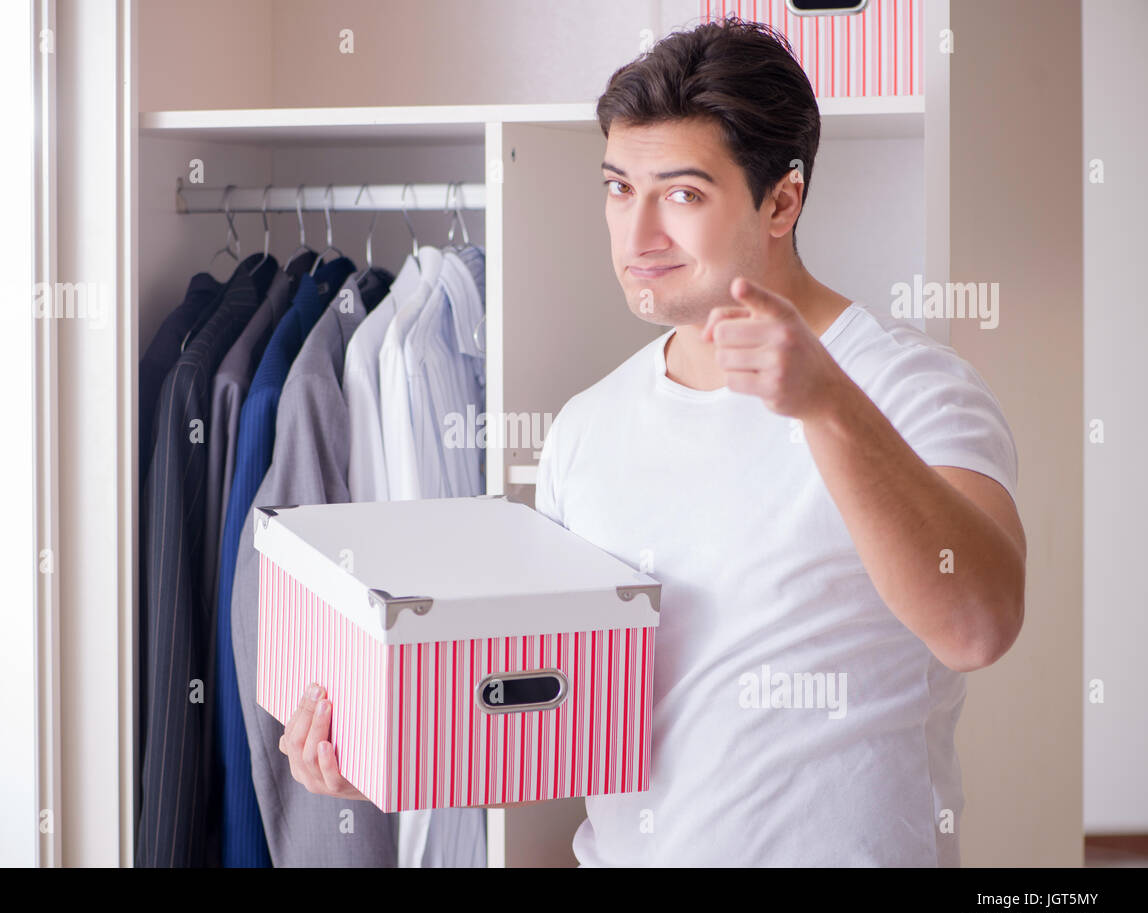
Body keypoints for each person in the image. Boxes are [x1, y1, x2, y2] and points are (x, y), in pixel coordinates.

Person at [276, 17, 1026, 867]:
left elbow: (980, 626)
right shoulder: (586, 428)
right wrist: (383, 752)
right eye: (618, 188)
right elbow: (561, 719)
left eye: (682, 194)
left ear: (782, 199)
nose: (637, 239)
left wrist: (827, 406)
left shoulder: (907, 388)